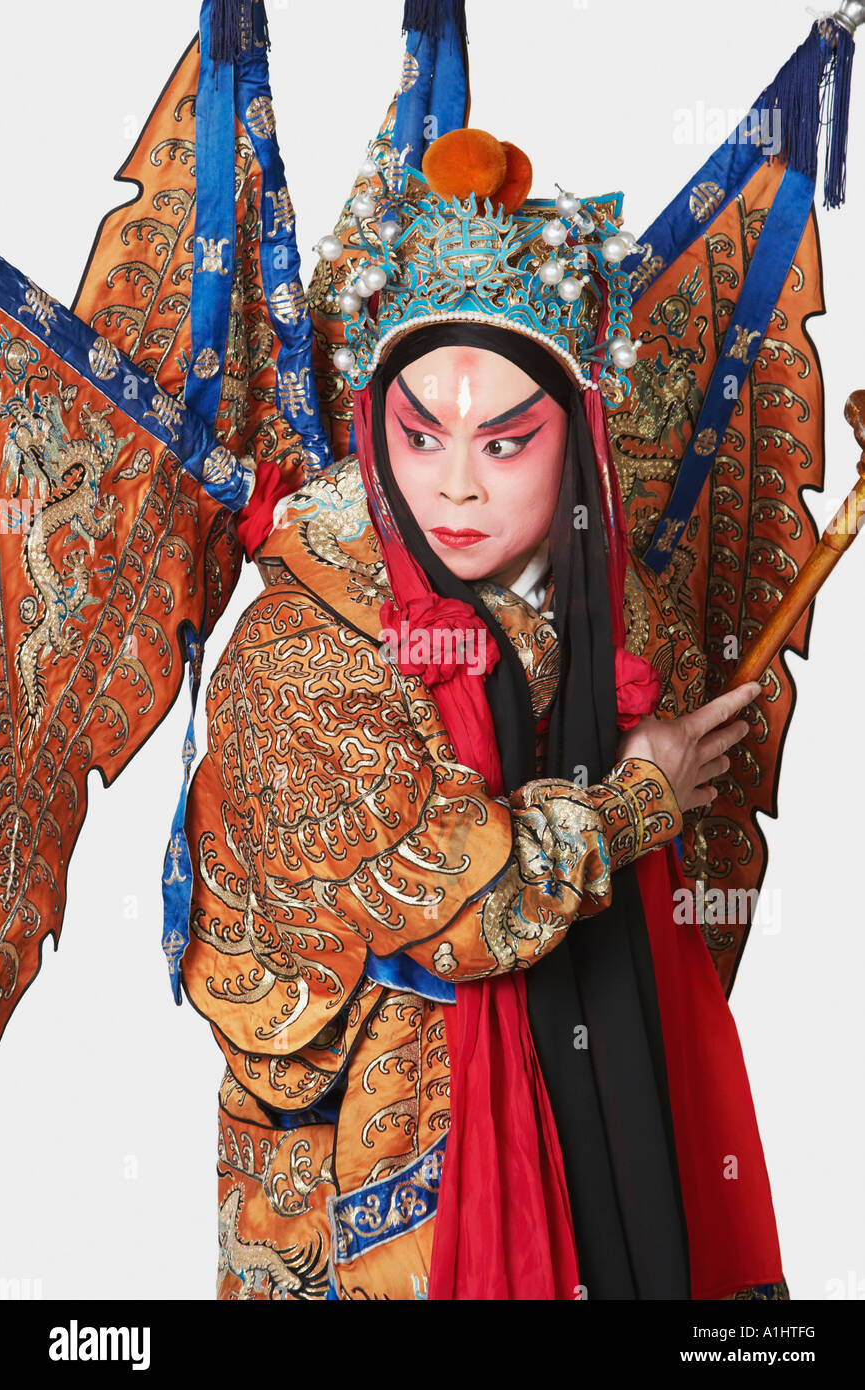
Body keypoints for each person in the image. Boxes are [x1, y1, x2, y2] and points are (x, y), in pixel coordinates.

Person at [181, 127, 788, 1295]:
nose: (455, 483)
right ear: (374, 428)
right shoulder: (294, 653)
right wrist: (627, 806)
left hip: (595, 1121)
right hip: (377, 1177)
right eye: (421, 435)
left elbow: (699, 880)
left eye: (505, 441)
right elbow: (466, 905)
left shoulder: (623, 613)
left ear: (576, 443)